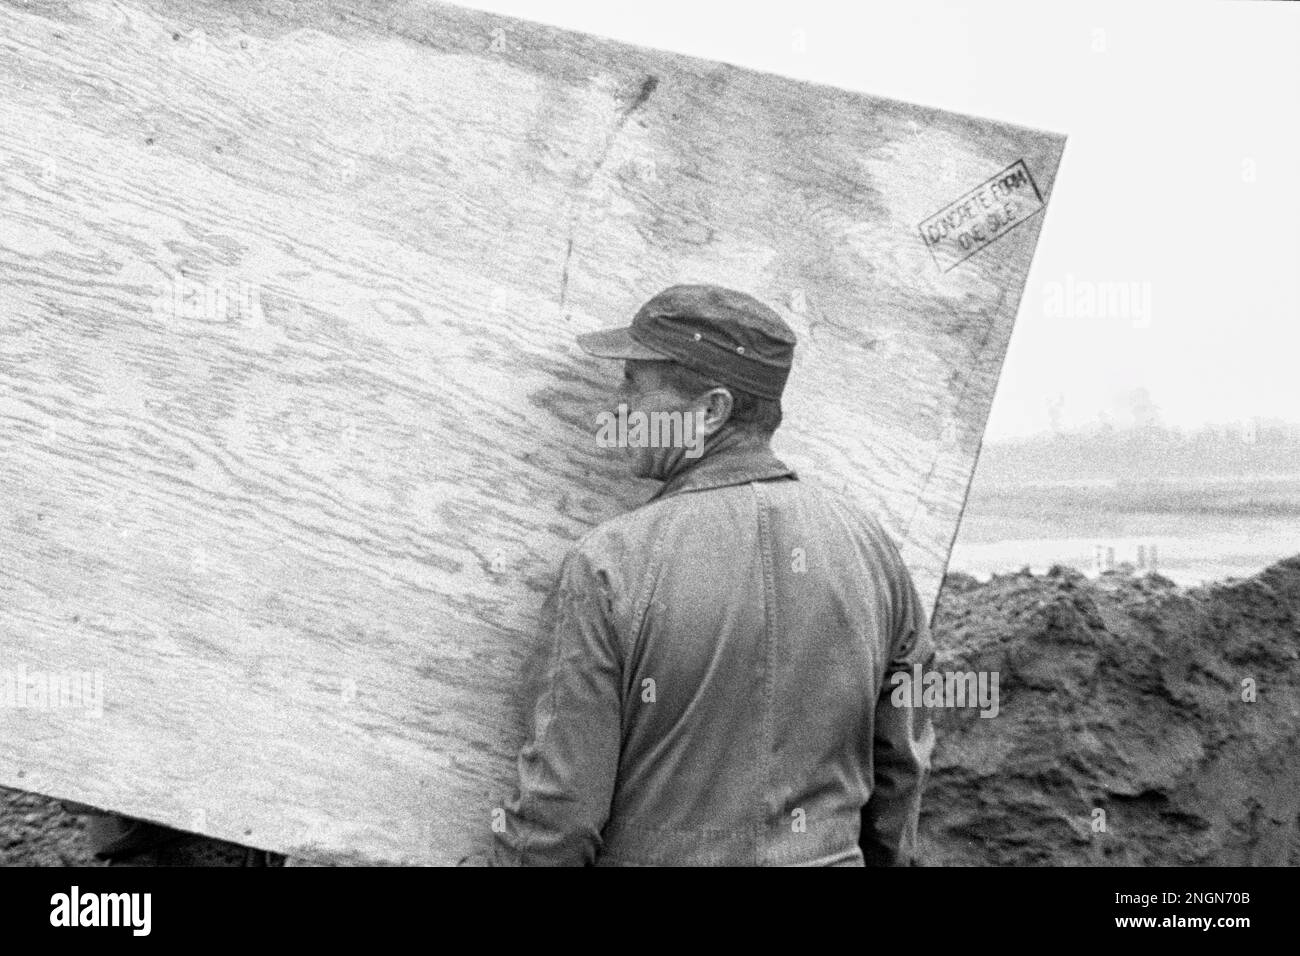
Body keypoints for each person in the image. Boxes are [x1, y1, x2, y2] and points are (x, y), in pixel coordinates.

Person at [486, 283, 936, 866]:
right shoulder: (874, 553)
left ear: (710, 411)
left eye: (633, 384)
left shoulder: (611, 566)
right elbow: (900, 778)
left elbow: (558, 820)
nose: (615, 409)